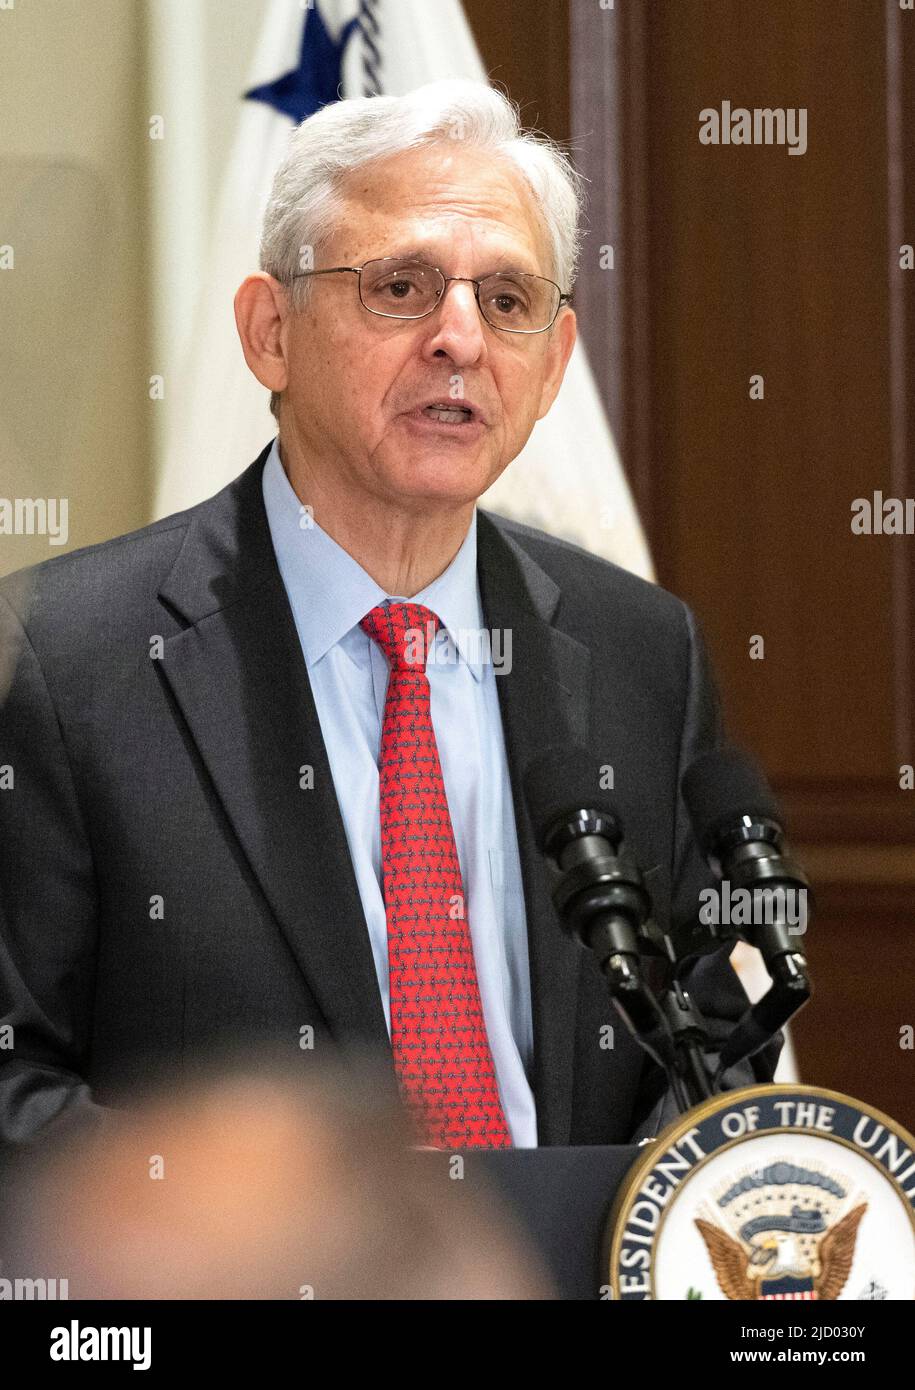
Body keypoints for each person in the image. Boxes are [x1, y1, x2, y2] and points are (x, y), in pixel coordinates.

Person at [0, 79, 780, 1155]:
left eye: (507, 301)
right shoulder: (64, 660)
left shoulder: (644, 650)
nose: (460, 338)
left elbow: (714, 1031)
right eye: (402, 287)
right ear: (271, 332)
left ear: (552, 365)